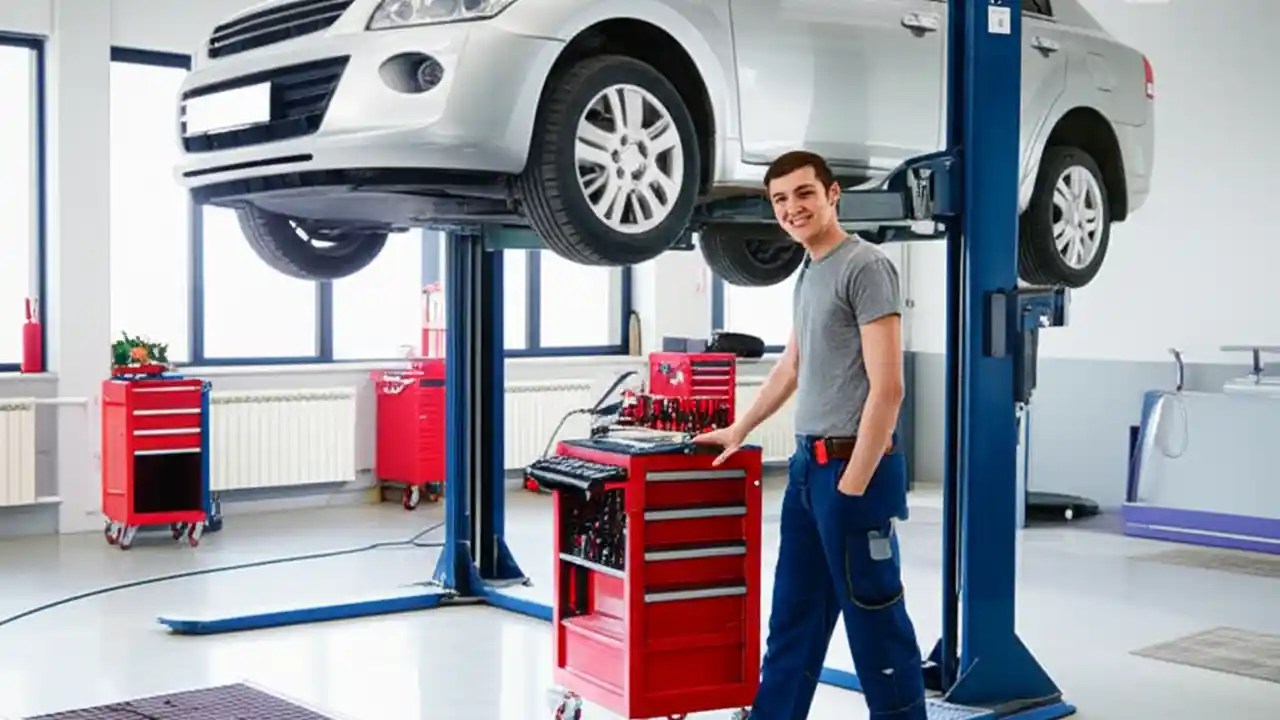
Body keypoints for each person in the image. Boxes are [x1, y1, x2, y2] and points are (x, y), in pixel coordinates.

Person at [694, 150, 927, 720]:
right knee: (794, 614)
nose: (792, 208)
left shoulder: (866, 267)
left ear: (832, 194)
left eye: (803, 193)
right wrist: (740, 427)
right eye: (780, 199)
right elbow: (790, 368)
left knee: (874, 619)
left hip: (853, 469)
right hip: (807, 470)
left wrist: (850, 487)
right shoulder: (809, 272)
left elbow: (888, 389)